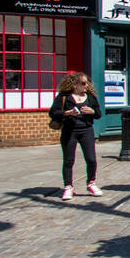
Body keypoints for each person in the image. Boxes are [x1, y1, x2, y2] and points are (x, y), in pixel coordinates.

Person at [50, 72, 103, 201]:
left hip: (86, 130)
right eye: (83, 83)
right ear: (75, 85)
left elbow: (98, 113)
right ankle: (68, 187)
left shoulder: (90, 97)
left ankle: (91, 183)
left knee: (91, 159)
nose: (86, 85)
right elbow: (53, 112)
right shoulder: (64, 97)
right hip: (70, 131)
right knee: (69, 160)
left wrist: (92, 111)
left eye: (87, 83)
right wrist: (68, 113)